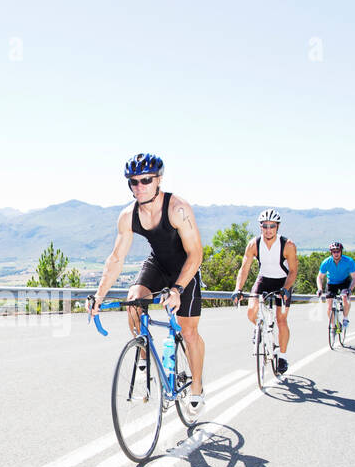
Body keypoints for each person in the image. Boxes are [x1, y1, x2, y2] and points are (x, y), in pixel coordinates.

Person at [89, 153, 206, 413]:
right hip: (158, 264)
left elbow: (196, 253)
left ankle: (197, 386)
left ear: (159, 180)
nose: (139, 187)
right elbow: (116, 258)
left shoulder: (177, 208)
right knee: (134, 300)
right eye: (134, 182)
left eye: (146, 180)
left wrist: (177, 289)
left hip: (185, 268)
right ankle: (144, 354)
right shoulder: (128, 216)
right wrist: (99, 296)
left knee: (188, 332)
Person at [234, 208, 298, 374]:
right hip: (263, 280)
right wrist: (238, 289)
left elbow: (293, 271)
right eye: (265, 226)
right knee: (251, 312)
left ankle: (282, 357)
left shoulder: (288, 245)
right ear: (260, 226)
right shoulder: (254, 244)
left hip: (282, 282)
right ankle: (261, 328)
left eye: (272, 226)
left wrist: (286, 289)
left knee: (281, 320)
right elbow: (244, 268)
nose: (268, 230)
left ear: (278, 227)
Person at [316, 241, 355, 327]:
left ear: (341, 252)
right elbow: (320, 277)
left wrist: (350, 289)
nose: (336, 253)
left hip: (344, 281)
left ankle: (345, 318)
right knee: (329, 307)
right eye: (334, 251)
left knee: (345, 297)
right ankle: (333, 325)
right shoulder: (326, 262)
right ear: (331, 252)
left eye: (338, 251)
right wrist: (320, 289)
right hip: (332, 282)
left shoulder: (349, 261)